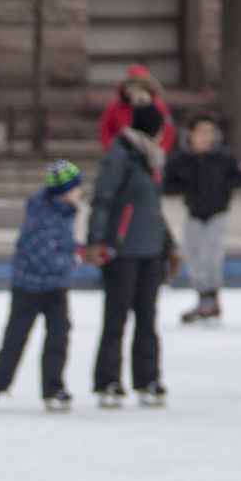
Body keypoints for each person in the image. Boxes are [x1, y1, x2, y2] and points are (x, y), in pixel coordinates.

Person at [85, 102, 176, 408]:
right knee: (116, 317)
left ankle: (148, 378)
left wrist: (169, 244)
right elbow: (103, 199)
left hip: (150, 249)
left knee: (148, 318)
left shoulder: (153, 158)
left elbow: (153, 208)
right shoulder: (120, 155)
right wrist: (96, 240)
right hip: (121, 250)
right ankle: (108, 380)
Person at [0, 159, 81, 410]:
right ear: (64, 191)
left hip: (55, 286)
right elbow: (42, 254)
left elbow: (61, 244)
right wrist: (72, 260)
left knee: (58, 337)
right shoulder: (42, 215)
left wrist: (76, 250)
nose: (80, 192)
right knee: (16, 336)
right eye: (76, 187)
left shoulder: (64, 211)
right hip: (29, 286)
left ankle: (53, 387)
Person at [162, 111, 241, 326]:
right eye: (201, 132)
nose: (205, 136)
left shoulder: (224, 157)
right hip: (194, 212)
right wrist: (183, 186)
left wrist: (225, 185)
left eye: (210, 132)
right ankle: (203, 297)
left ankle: (211, 297)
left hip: (217, 212)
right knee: (193, 255)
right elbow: (167, 182)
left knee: (211, 254)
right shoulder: (182, 159)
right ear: (191, 134)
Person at [96, 64, 171, 156]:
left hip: (151, 151)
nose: (135, 91)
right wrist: (111, 148)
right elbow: (104, 129)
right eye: (131, 86)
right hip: (122, 153)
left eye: (141, 87)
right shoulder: (114, 107)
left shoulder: (158, 106)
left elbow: (168, 129)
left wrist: (160, 149)